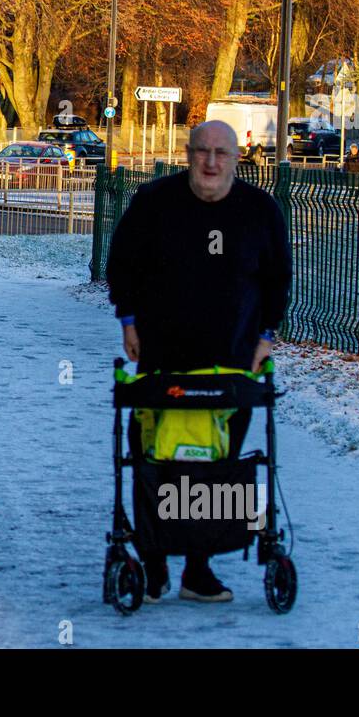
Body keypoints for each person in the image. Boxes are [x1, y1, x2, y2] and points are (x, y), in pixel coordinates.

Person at [106, 120, 292, 604]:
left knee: (216, 464)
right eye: (202, 152)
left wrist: (267, 336)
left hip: (232, 361)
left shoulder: (259, 211)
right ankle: (154, 559)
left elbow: (278, 279)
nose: (211, 163)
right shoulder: (154, 202)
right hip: (162, 355)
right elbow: (122, 262)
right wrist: (128, 319)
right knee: (156, 456)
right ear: (188, 154)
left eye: (222, 153)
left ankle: (197, 568)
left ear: (236, 158)